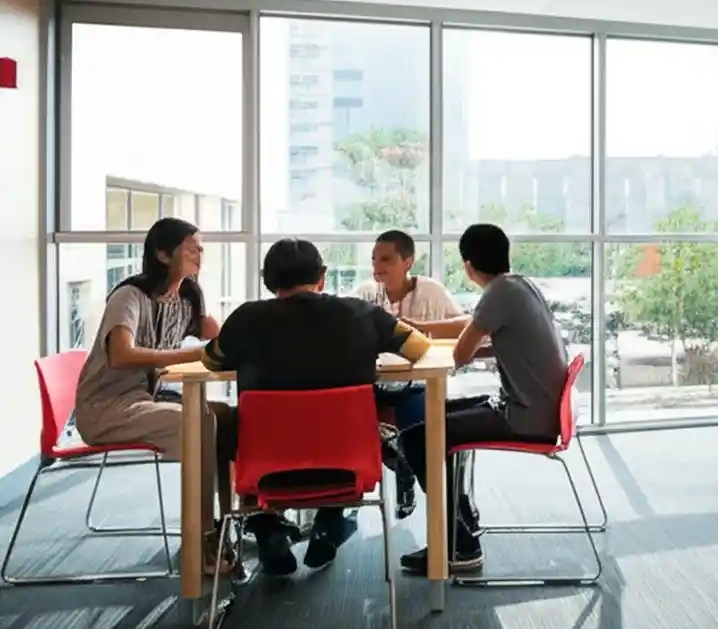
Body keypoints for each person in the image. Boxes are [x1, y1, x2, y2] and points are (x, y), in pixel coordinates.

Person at [200, 238, 434, 576]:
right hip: (347, 463)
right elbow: (418, 346)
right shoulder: (361, 312)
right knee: (343, 426)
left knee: (227, 424)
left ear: (269, 280)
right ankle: (330, 521)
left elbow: (211, 360)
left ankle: (265, 525)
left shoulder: (247, 318)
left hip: (267, 466)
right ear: (321, 276)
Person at [399, 223, 569, 575]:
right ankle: (463, 515)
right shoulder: (519, 285)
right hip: (537, 408)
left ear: (468, 265)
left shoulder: (499, 294)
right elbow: (474, 328)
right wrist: (419, 327)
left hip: (526, 417)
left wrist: (440, 342)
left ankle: (459, 544)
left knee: (417, 437)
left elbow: (460, 352)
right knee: (433, 420)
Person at [74, 217, 234, 574]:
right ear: (163, 253)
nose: (200, 255)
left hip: (147, 400)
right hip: (106, 408)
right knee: (199, 422)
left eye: (202, 248)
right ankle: (202, 539)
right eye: (192, 248)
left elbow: (218, 336)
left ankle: (228, 522)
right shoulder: (130, 295)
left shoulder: (184, 298)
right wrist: (192, 353)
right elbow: (121, 355)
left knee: (226, 417)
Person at [350, 230, 466, 518]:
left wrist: (415, 326)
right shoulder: (365, 294)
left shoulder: (430, 290)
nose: (377, 266)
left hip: (416, 384)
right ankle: (398, 464)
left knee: (423, 440)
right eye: (374, 259)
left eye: (386, 259)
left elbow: (466, 323)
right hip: (373, 386)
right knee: (343, 423)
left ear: (408, 261)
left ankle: (451, 523)